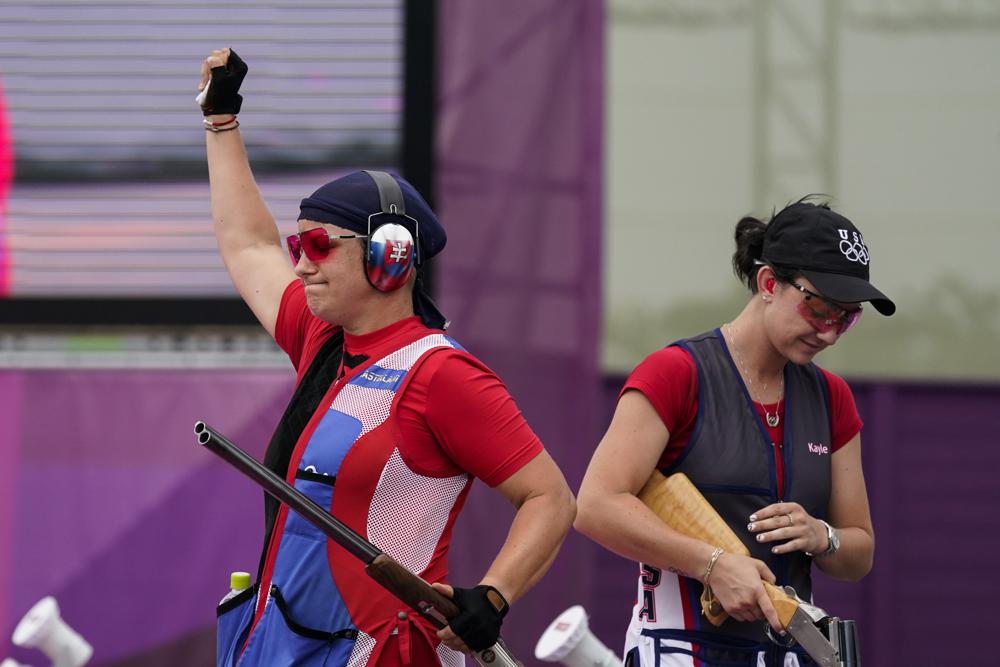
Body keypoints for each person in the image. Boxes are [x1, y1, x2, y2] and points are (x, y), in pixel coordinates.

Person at [199, 48, 575, 667]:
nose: (299, 262)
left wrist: (495, 594)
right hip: (280, 647)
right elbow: (247, 243)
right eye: (300, 243)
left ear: (390, 256)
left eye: (319, 245)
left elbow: (551, 499)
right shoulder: (324, 339)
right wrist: (221, 121)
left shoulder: (443, 375)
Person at [574, 198, 894, 666]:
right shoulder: (676, 372)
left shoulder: (833, 398)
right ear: (769, 283)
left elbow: (859, 552)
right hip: (678, 648)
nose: (829, 332)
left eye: (846, 317)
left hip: (788, 654)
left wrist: (822, 535)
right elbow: (595, 506)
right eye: (820, 308)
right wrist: (711, 564)